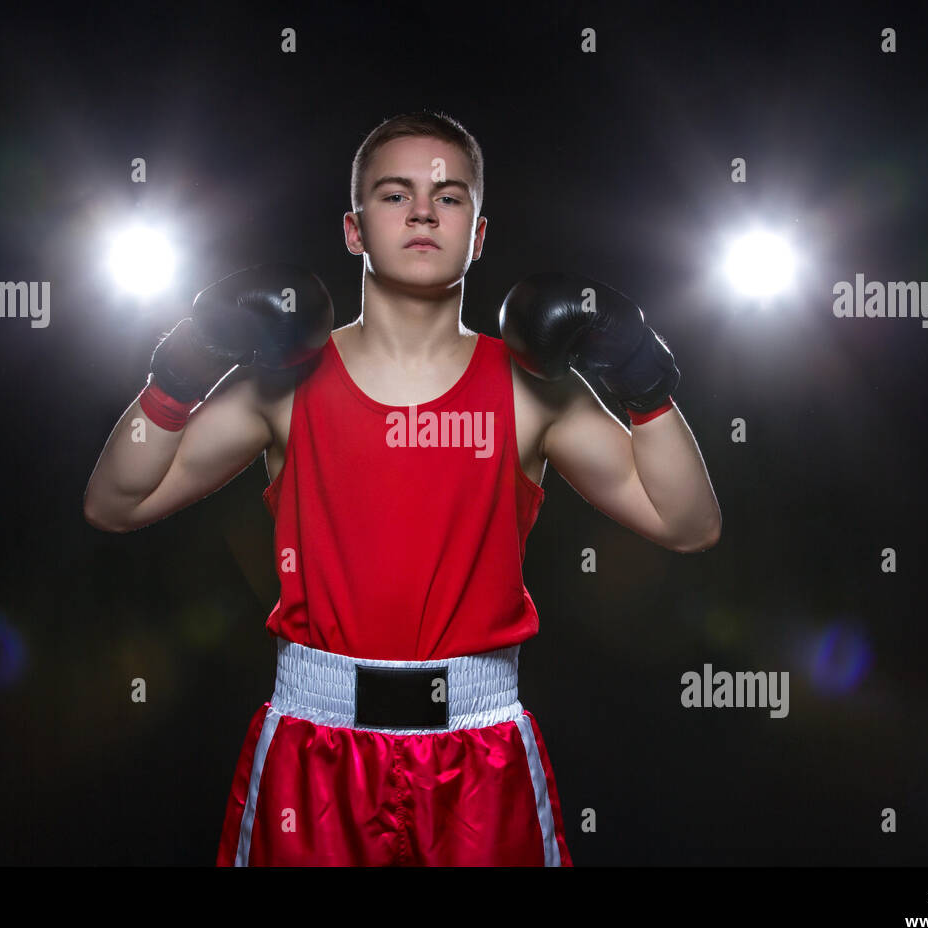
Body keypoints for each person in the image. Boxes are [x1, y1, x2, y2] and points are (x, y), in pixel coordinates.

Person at [83, 111, 721, 866]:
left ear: (478, 234)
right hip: (314, 748)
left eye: (449, 197)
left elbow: (689, 523)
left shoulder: (531, 391)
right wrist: (183, 366)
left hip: (479, 749)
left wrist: (644, 379)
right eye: (395, 195)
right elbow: (114, 501)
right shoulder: (283, 385)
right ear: (354, 230)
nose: (423, 210)